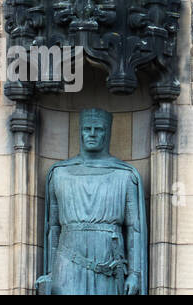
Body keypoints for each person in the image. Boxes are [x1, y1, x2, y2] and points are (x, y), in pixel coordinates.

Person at [37, 108, 146, 295]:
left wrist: (135, 273)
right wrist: (49, 272)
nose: (92, 134)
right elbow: (53, 227)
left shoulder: (125, 176)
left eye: (98, 129)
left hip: (108, 260)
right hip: (67, 262)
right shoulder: (59, 173)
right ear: (80, 131)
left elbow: (134, 229)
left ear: (108, 132)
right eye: (87, 128)